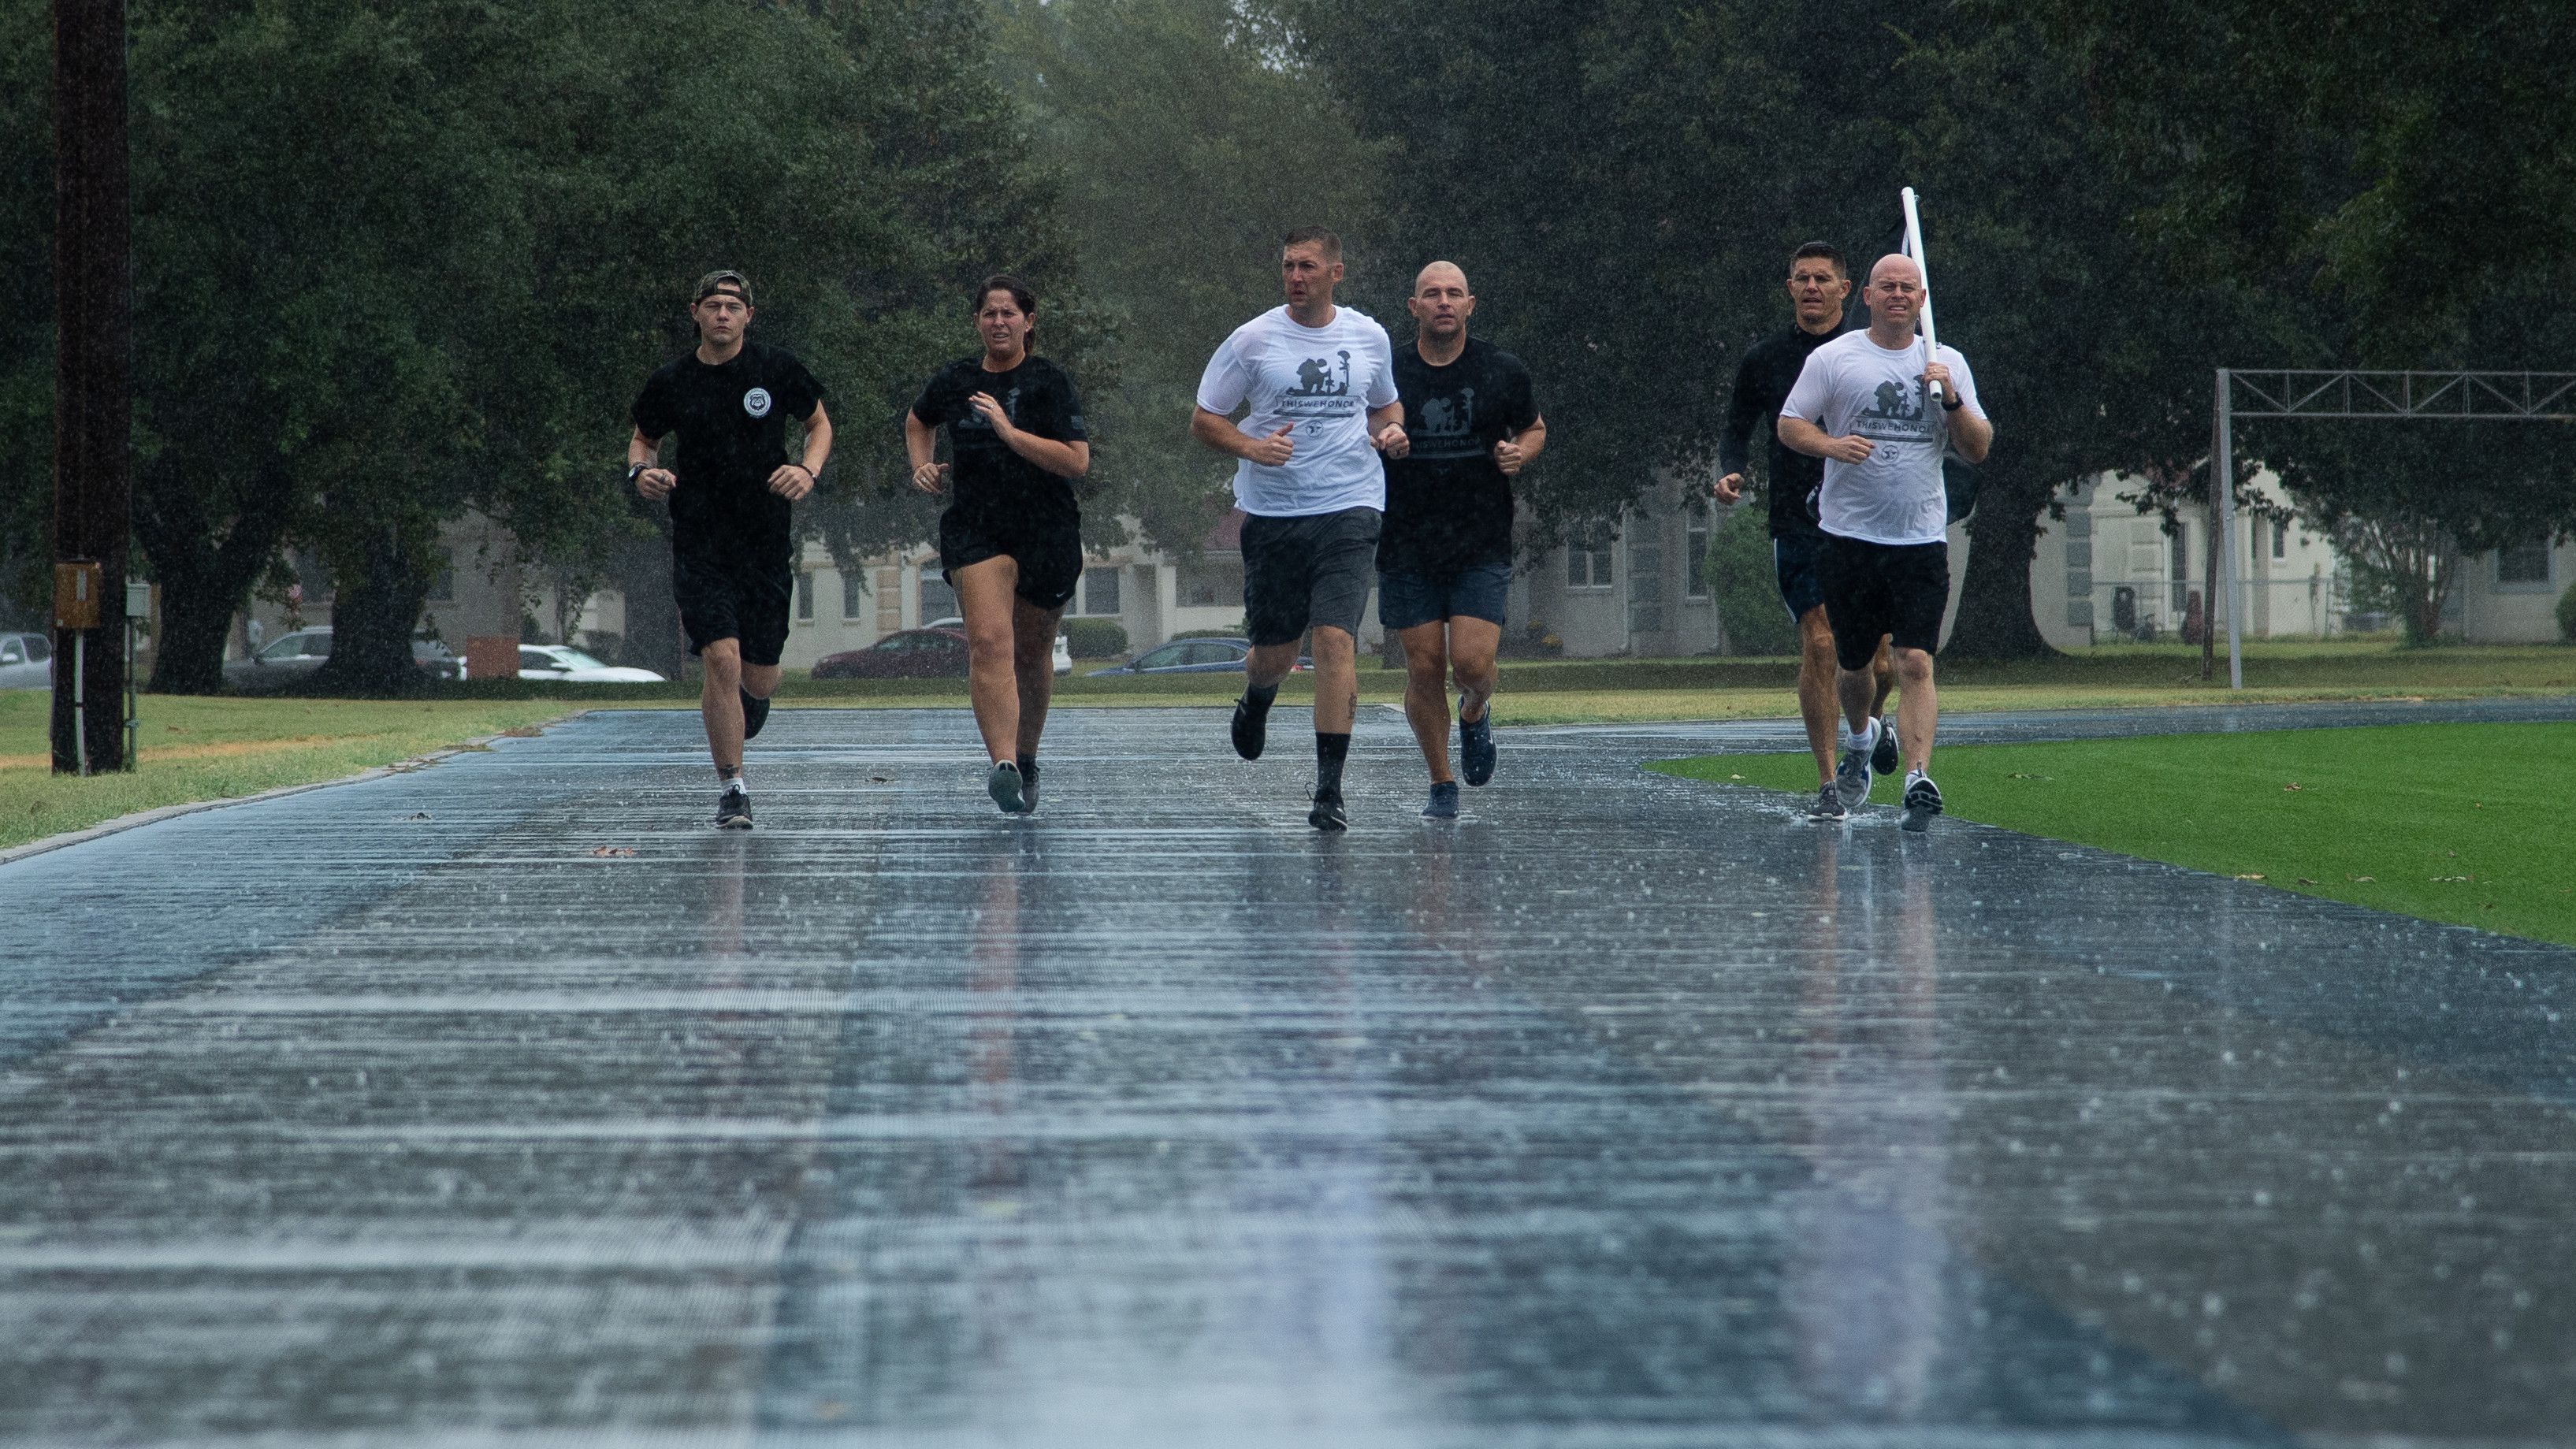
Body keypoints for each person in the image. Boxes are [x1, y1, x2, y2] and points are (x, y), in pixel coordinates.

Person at [1191, 225, 1405, 830]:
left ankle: (1328, 791)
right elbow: (1205, 419)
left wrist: (1390, 430)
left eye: (1307, 266)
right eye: (1288, 266)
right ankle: (1257, 696)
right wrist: (1251, 447)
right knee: (1275, 655)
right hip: (1274, 515)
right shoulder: (1253, 340)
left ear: (1336, 272)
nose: (1295, 276)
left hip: (1351, 505)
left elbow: (1384, 405)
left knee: (1334, 640)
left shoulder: (1367, 336)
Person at [1778, 253, 1991, 831]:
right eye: (1886, 287)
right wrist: (1831, 446)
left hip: (1919, 539)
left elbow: (1977, 447)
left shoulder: (1946, 362)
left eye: (1907, 287)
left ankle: (1918, 778)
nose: (1897, 295)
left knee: (1914, 660)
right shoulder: (1835, 358)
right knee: (1853, 667)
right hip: (1848, 538)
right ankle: (1860, 738)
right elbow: (1790, 423)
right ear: (1867, 296)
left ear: (1922, 300)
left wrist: (1950, 399)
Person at [629, 269, 831, 830]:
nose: (723, 314)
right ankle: (732, 788)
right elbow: (644, 440)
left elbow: (818, 425)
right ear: (695, 312)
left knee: (758, 675)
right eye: (713, 305)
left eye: (733, 306)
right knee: (720, 659)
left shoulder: (776, 369)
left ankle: (752, 699)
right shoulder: (671, 380)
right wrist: (641, 472)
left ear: (748, 316)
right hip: (700, 541)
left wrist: (807, 470)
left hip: (763, 541)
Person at [1717, 242, 1896, 820]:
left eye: (1823, 278)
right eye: (1802, 278)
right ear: (1789, 288)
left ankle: (1868, 730)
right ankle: (1826, 780)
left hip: (1867, 518)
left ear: (1845, 290)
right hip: (1798, 518)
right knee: (1820, 644)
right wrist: (1729, 469)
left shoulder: (1872, 352)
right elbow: (1737, 427)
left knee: (1880, 664)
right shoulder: (1765, 358)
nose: (1812, 287)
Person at [904, 275, 1091, 815]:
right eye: (990, 313)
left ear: (1029, 322)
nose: (1000, 322)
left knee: (1032, 654)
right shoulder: (955, 379)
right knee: (988, 643)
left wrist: (1009, 433)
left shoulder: (1049, 382)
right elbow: (918, 420)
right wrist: (922, 465)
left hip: (1046, 529)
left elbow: (1076, 462)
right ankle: (1002, 763)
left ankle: (1026, 758)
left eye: (1010, 313)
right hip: (976, 529)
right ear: (977, 322)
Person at [1378, 261, 1544, 818]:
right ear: (1414, 307)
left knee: (1471, 665)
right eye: (1432, 294)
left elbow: (1533, 428)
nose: (1443, 302)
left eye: (1454, 293)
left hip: (1480, 538)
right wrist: (1385, 436)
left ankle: (1475, 711)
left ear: (1470, 305)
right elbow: (1363, 424)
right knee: (1423, 668)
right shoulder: (1389, 369)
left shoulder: (1501, 368)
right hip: (1407, 540)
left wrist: (1519, 452)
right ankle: (1441, 783)